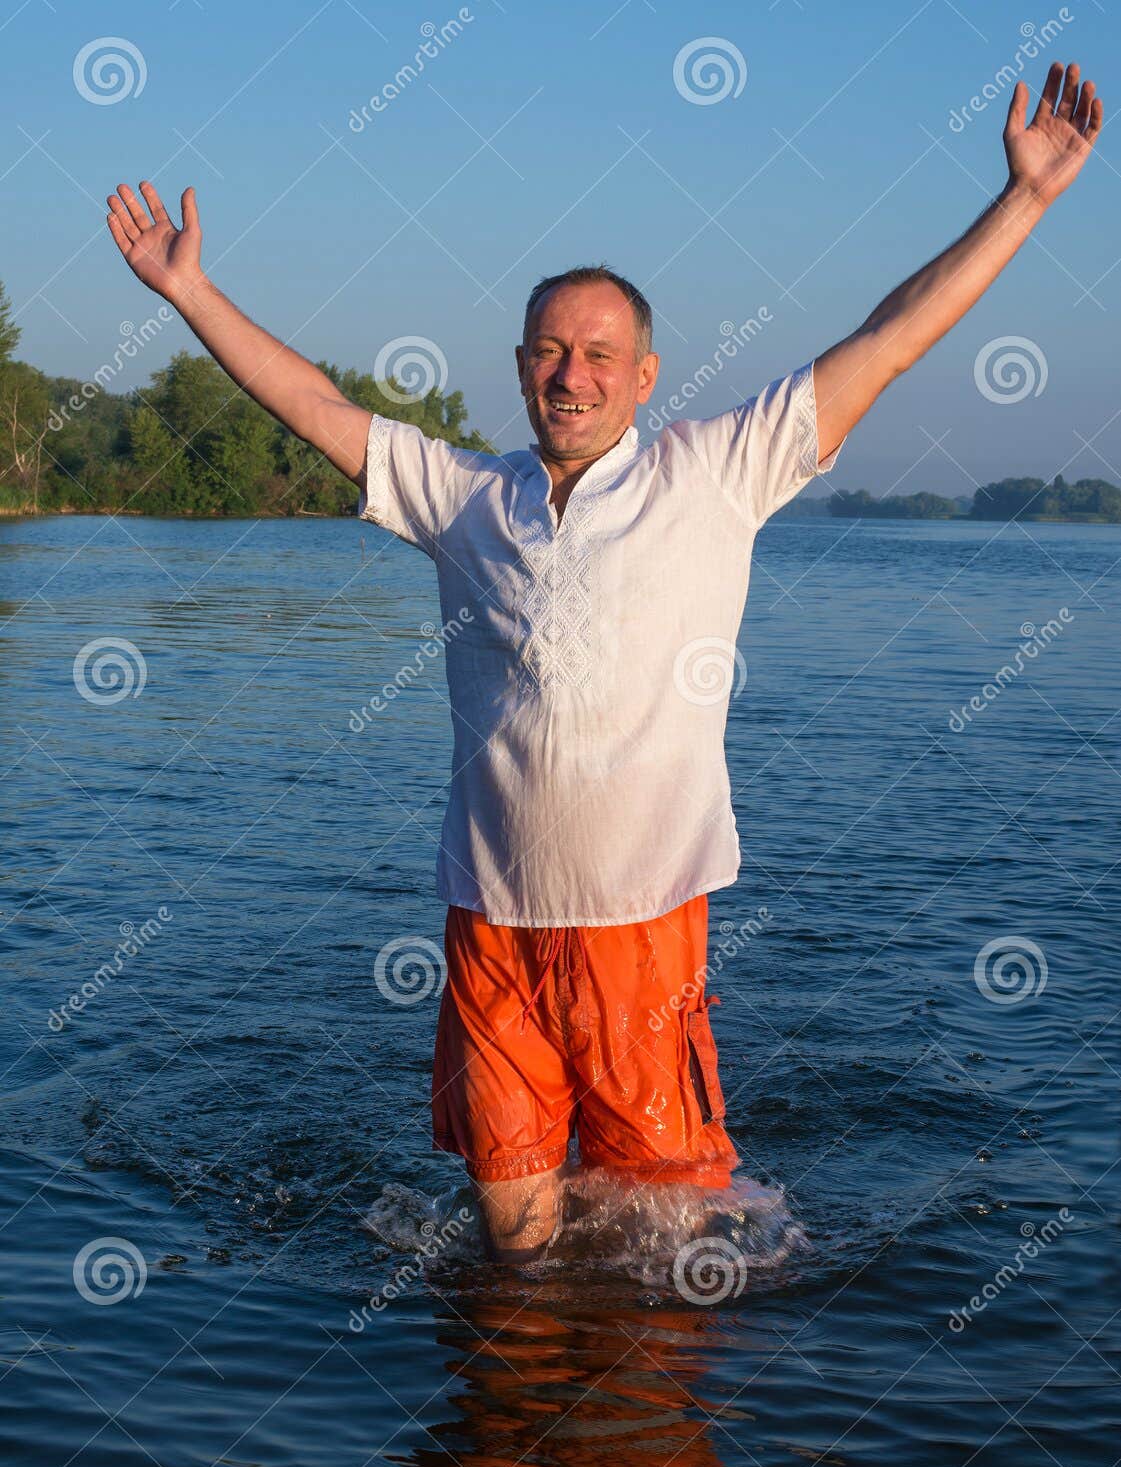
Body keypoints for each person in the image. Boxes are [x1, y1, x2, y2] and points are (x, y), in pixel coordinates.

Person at [107, 63, 1101, 1264]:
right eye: (545, 350)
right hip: (491, 930)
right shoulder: (465, 495)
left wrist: (1024, 200)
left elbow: (885, 342)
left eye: (594, 352)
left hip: (639, 928)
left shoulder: (713, 475)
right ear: (519, 368)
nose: (568, 371)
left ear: (640, 378)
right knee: (517, 1258)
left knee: (671, 1252)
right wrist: (190, 292)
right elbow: (310, 402)